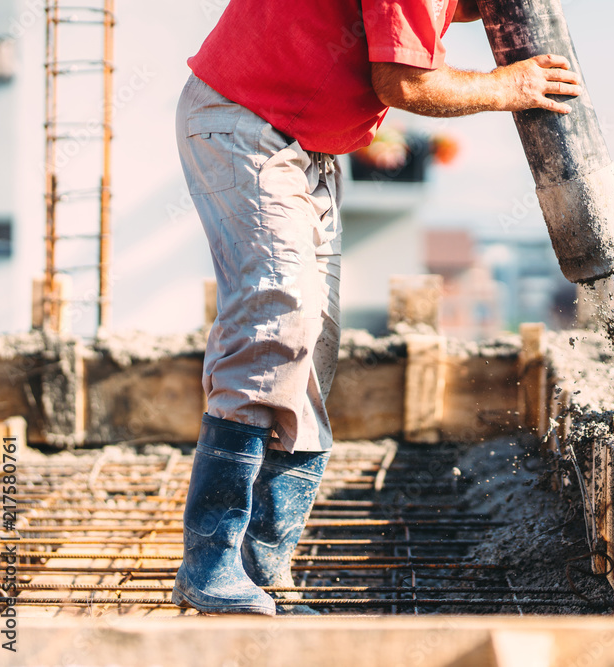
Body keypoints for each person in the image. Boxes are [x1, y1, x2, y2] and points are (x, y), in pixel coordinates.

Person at [172, 0, 583, 615]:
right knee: (277, 317)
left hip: (302, 145)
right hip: (243, 125)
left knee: (313, 341)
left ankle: (261, 568)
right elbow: (406, 81)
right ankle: (210, 565)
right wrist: (510, 85)